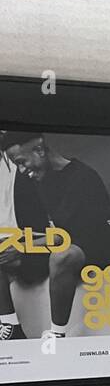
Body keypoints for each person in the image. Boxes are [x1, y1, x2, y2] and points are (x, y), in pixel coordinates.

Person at [1, 132, 110, 339]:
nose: (21, 170)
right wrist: (17, 245)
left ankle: (58, 335)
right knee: (3, 247)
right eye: (16, 165)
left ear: (39, 150)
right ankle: (11, 325)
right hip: (62, 241)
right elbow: (41, 228)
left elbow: (71, 234)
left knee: (62, 256)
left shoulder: (83, 177)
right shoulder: (32, 179)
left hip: (100, 245)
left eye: (22, 162)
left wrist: (24, 247)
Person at [0, 144, 51, 342]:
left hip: (34, 245)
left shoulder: (26, 168)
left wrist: (22, 247)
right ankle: (11, 326)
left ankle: (10, 326)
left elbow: (58, 223)